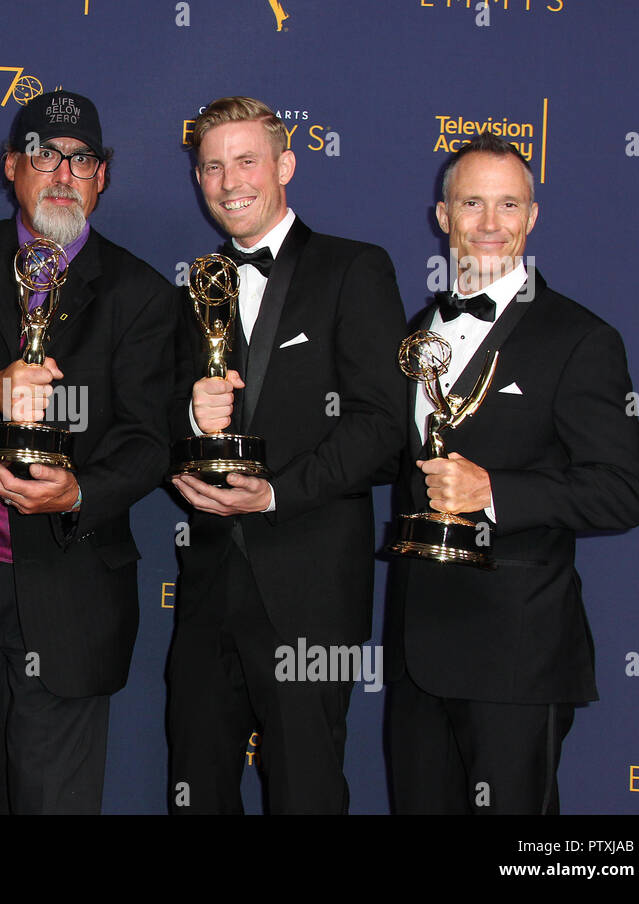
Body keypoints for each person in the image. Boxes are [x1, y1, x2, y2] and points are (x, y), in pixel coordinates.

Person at [0, 90, 174, 814]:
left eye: (81, 160)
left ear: (102, 176)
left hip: (71, 584)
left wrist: (77, 493)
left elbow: (149, 442)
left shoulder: (143, 293)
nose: (62, 172)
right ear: (12, 165)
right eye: (45, 154)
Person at [385, 134, 639, 814]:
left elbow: (623, 492)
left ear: (532, 217)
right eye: (472, 203)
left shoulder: (580, 340)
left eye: (509, 204)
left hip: (516, 654)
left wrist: (495, 493)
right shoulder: (416, 335)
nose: (490, 224)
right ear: (442, 216)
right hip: (419, 650)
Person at [166, 96, 407, 814]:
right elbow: (159, 431)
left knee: (305, 792)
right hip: (208, 587)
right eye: (212, 165)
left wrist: (274, 494)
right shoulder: (192, 287)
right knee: (196, 792)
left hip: (310, 590)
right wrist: (186, 415)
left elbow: (382, 426)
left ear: (286, 166)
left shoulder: (354, 269)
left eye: (246, 160)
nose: (229, 180)